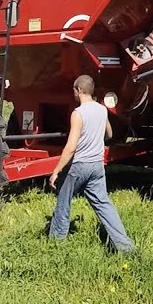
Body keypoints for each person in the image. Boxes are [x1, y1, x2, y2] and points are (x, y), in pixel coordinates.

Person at [47, 74, 135, 252]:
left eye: (74, 90)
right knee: (103, 204)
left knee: (63, 201)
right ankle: (125, 246)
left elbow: (71, 147)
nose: (73, 93)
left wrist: (56, 171)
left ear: (79, 90)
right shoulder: (102, 110)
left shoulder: (78, 113)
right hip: (97, 165)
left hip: (79, 165)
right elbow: (110, 134)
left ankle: (56, 244)